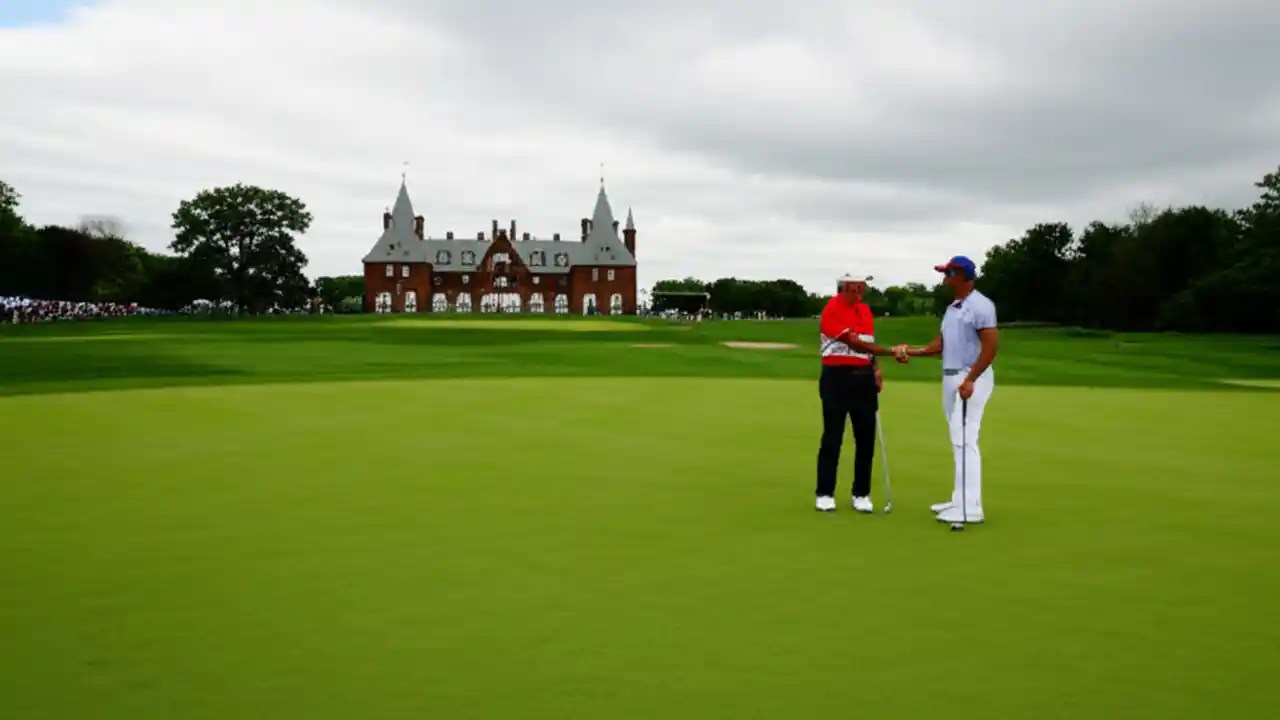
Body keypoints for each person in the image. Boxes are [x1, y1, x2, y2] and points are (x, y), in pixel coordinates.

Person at [893, 256, 999, 524]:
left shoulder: (981, 306)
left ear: (961, 275)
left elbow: (990, 348)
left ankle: (971, 507)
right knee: (957, 439)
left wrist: (971, 379)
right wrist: (911, 352)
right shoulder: (953, 308)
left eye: (948, 273)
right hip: (951, 377)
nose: (944, 278)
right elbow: (938, 347)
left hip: (970, 377)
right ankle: (959, 499)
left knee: (965, 438)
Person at [815, 273, 900, 513]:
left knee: (865, 438)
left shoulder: (864, 310)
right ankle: (824, 492)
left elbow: (867, 346)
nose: (859, 293)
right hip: (836, 379)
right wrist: (888, 351)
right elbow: (854, 343)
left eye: (862, 288)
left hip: (863, 379)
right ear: (842, 289)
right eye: (855, 289)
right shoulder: (832, 309)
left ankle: (861, 493)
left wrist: (876, 368)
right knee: (833, 437)